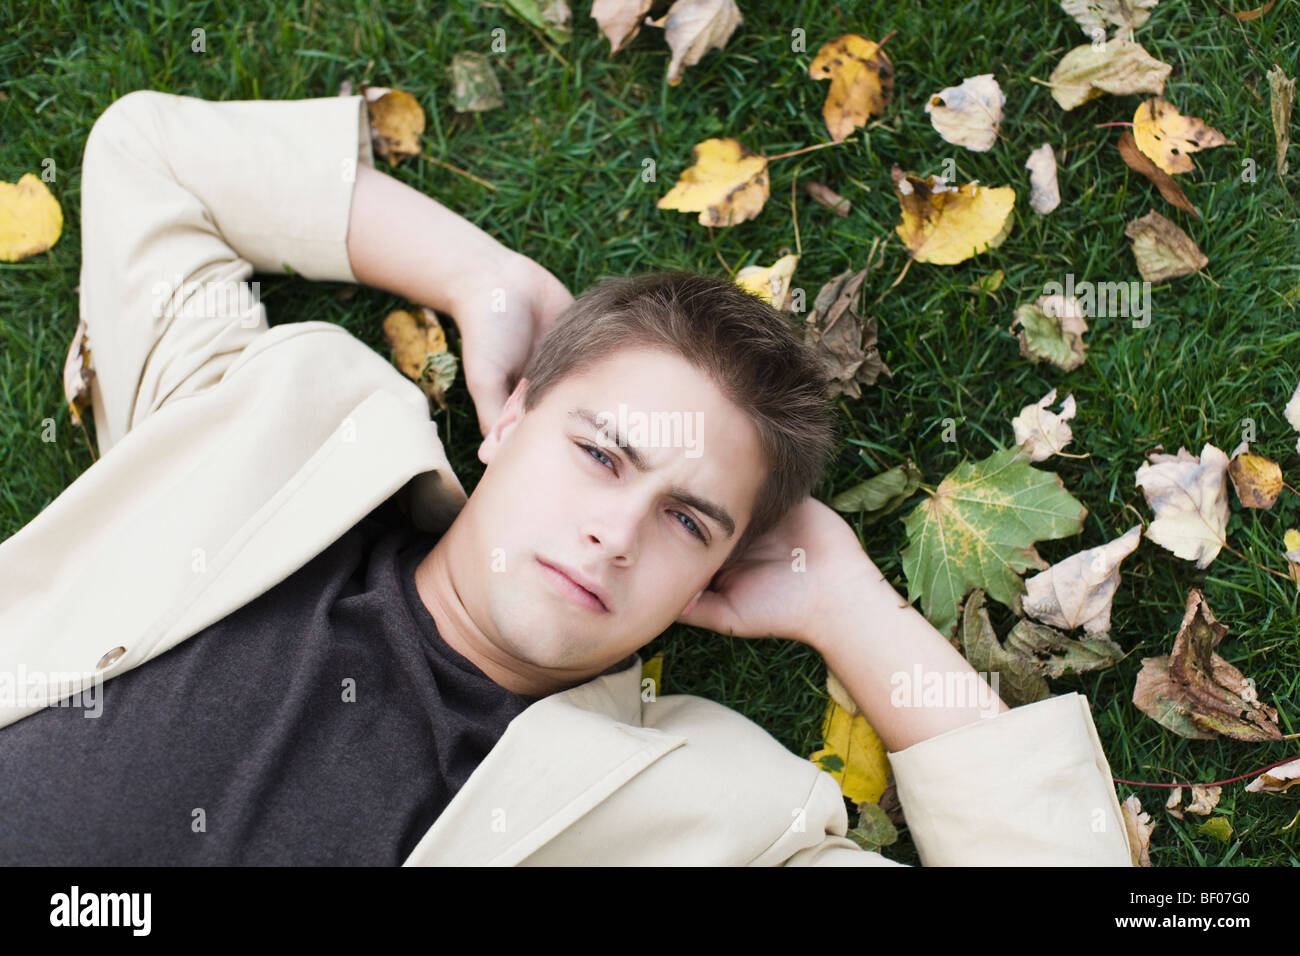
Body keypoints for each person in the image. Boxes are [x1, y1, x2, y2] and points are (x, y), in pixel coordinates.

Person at [0, 90, 1134, 866]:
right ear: (509, 418)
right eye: (599, 452)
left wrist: (855, 609)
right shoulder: (275, 429)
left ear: (721, 569)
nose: (612, 533)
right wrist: (475, 273)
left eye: (686, 517)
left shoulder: (709, 813)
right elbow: (153, 156)